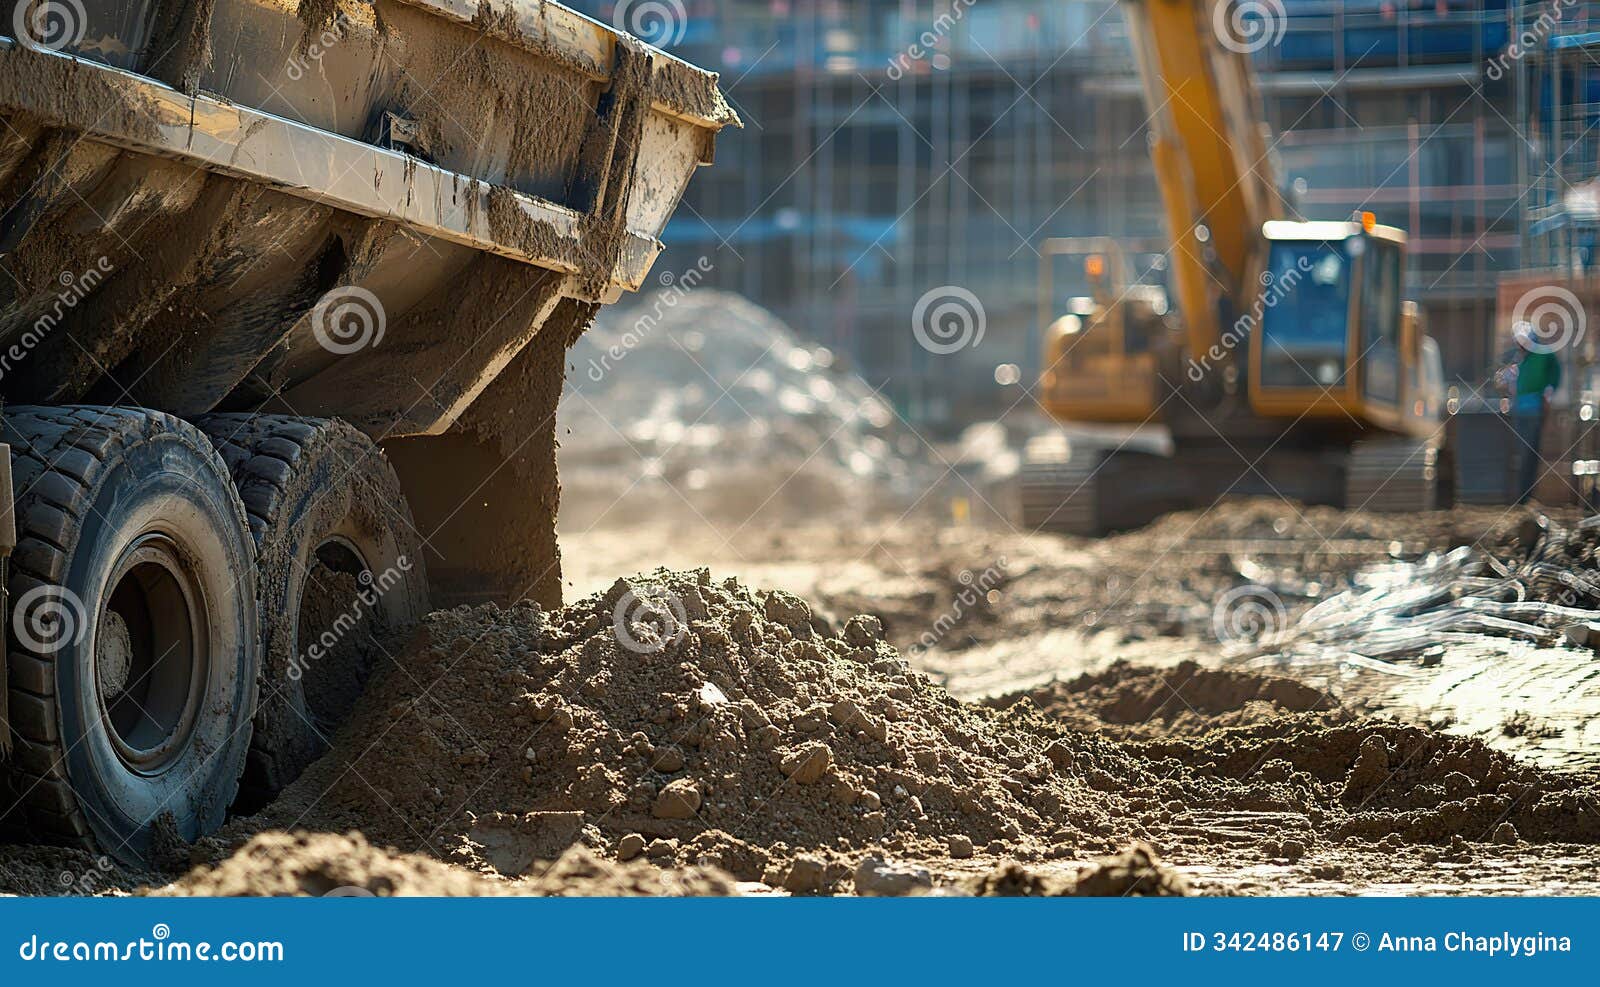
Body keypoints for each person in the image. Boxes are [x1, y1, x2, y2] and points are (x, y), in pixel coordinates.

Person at [1510, 328, 1562, 503]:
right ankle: (1522, 495)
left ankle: (1526, 495)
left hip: (1534, 410)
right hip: (1520, 410)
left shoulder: (1543, 354)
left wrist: (1548, 392)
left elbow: (1554, 374)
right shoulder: (1522, 358)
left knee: (1529, 454)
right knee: (1522, 455)